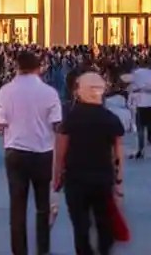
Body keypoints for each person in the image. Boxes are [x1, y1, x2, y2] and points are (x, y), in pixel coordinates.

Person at [0, 49, 63, 255]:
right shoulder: (50, 92)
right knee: (43, 206)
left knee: (17, 206)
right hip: (43, 151)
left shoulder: (6, 91)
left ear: (16, 67)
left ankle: (19, 251)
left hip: (15, 150)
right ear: (38, 68)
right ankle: (43, 249)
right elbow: (57, 124)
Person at [55, 72, 125, 255]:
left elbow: (61, 150)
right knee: (104, 222)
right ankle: (104, 250)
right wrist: (119, 180)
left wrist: (56, 176)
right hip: (103, 178)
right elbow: (118, 153)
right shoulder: (111, 118)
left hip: (75, 178)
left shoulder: (71, 118)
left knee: (80, 225)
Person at [128, 59, 151, 159]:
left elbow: (131, 85)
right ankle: (150, 137)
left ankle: (141, 148)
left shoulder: (136, 73)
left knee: (140, 127)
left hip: (140, 103)